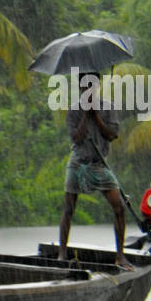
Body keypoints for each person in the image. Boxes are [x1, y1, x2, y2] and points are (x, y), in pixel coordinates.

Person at [57, 73, 132, 269]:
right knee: (68, 208)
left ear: (97, 86)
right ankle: (62, 253)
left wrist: (96, 117)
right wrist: (86, 116)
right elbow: (76, 138)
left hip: (99, 164)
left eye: (92, 86)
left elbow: (112, 135)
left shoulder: (108, 107)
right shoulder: (74, 110)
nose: (88, 90)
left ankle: (120, 256)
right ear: (81, 88)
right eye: (85, 86)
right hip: (78, 162)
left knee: (119, 207)